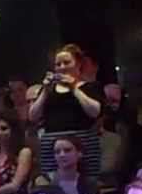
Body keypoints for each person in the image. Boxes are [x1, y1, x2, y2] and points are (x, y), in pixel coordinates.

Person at [30, 43, 103, 176]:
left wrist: (74, 88)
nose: (62, 67)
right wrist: (45, 91)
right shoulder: (48, 90)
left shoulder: (90, 87)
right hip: (52, 145)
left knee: (87, 182)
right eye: (58, 64)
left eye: (67, 62)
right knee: (52, 184)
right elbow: (33, 116)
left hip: (82, 143)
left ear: (78, 63)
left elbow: (95, 112)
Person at [33, 136, 97, 194]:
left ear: (79, 153)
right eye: (57, 152)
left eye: (67, 150)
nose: (62, 155)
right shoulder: (45, 180)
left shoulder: (89, 183)